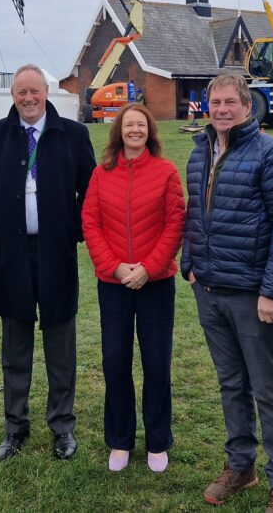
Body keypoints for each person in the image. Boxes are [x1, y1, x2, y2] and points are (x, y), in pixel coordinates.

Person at [180, 73, 273, 512]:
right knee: (231, 383)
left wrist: (272, 292)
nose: (223, 109)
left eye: (231, 102)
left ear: (247, 108)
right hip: (210, 290)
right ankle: (241, 464)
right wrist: (189, 265)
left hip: (254, 295)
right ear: (207, 107)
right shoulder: (199, 154)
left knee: (268, 389)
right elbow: (193, 213)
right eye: (216, 102)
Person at [0, 63, 96, 461]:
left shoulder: (73, 134)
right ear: (13, 96)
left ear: (46, 93)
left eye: (34, 91)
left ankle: (62, 426)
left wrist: (71, 232)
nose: (28, 98)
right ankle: (14, 426)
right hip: (11, 257)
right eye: (21, 92)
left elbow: (90, 192)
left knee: (61, 348)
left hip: (56, 255)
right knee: (15, 349)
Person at [81, 103, 185, 473]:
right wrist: (113, 266)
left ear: (149, 131)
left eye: (141, 125)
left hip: (156, 283)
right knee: (115, 362)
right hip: (114, 284)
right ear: (119, 131)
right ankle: (120, 440)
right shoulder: (101, 173)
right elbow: (90, 223)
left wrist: (149, 267)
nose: (135, 130)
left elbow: (175, 224)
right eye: (129, 125)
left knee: (157, 363)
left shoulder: (166, 172)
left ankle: (158, 441)